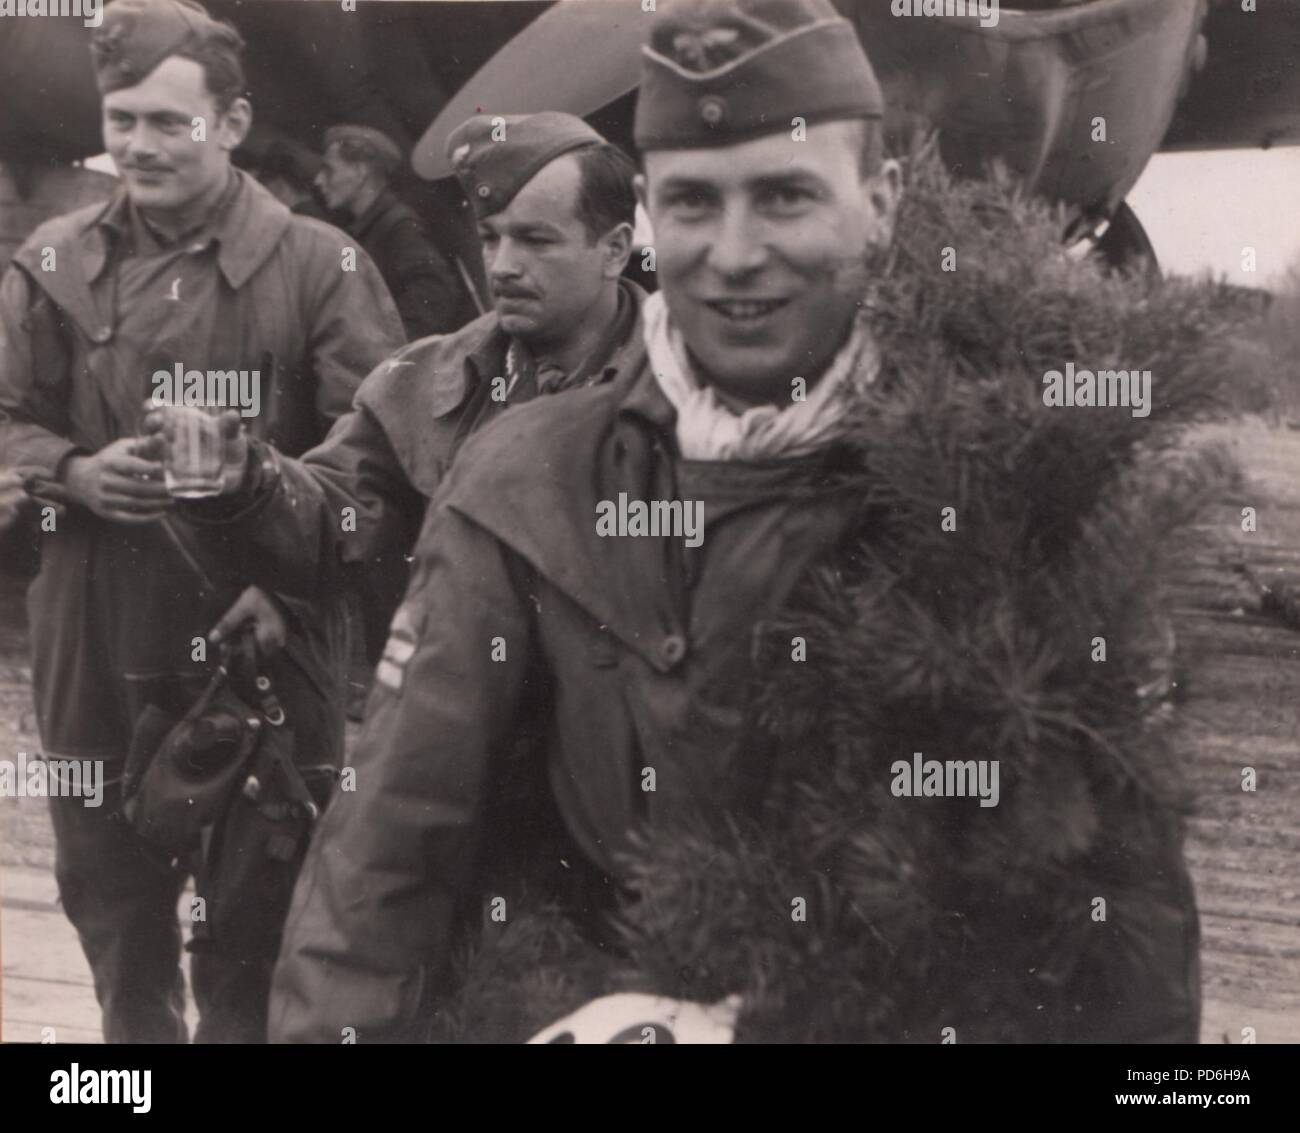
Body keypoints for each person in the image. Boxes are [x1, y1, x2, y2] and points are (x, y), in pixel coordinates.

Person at [270, 0, 1201, 1044]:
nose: (736, 252)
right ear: (650, 225)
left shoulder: (1010, 494)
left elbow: (1124, 937)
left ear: (882, 200)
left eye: (786, 195)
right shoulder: (522, 482)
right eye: (694, 203)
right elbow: (381, 872)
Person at [0, 0, 404, 1043]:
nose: (138, 143)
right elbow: (3, 415)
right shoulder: (50, 262)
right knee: (113, 911)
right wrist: (74, 469)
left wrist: (283, 564)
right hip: (92, 635)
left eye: (168, 122)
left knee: (256, 930)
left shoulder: (322, 267)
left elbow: (384, 463)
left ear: (230, 123)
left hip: (263, 638)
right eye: (121, 117)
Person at [176, 112, 642, 672]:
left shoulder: (690, 385)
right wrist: (249, 478)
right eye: (490, 237)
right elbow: (342, 515)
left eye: (536, 240)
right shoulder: (423, 381)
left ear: (615, 250)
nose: (503, 267)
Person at [314, 123, 476, 341]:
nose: (319, 180)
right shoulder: (363, 230)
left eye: (329, 170)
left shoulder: (398, 226)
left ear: (360, 171)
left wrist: (391, 347)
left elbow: (436, 292)